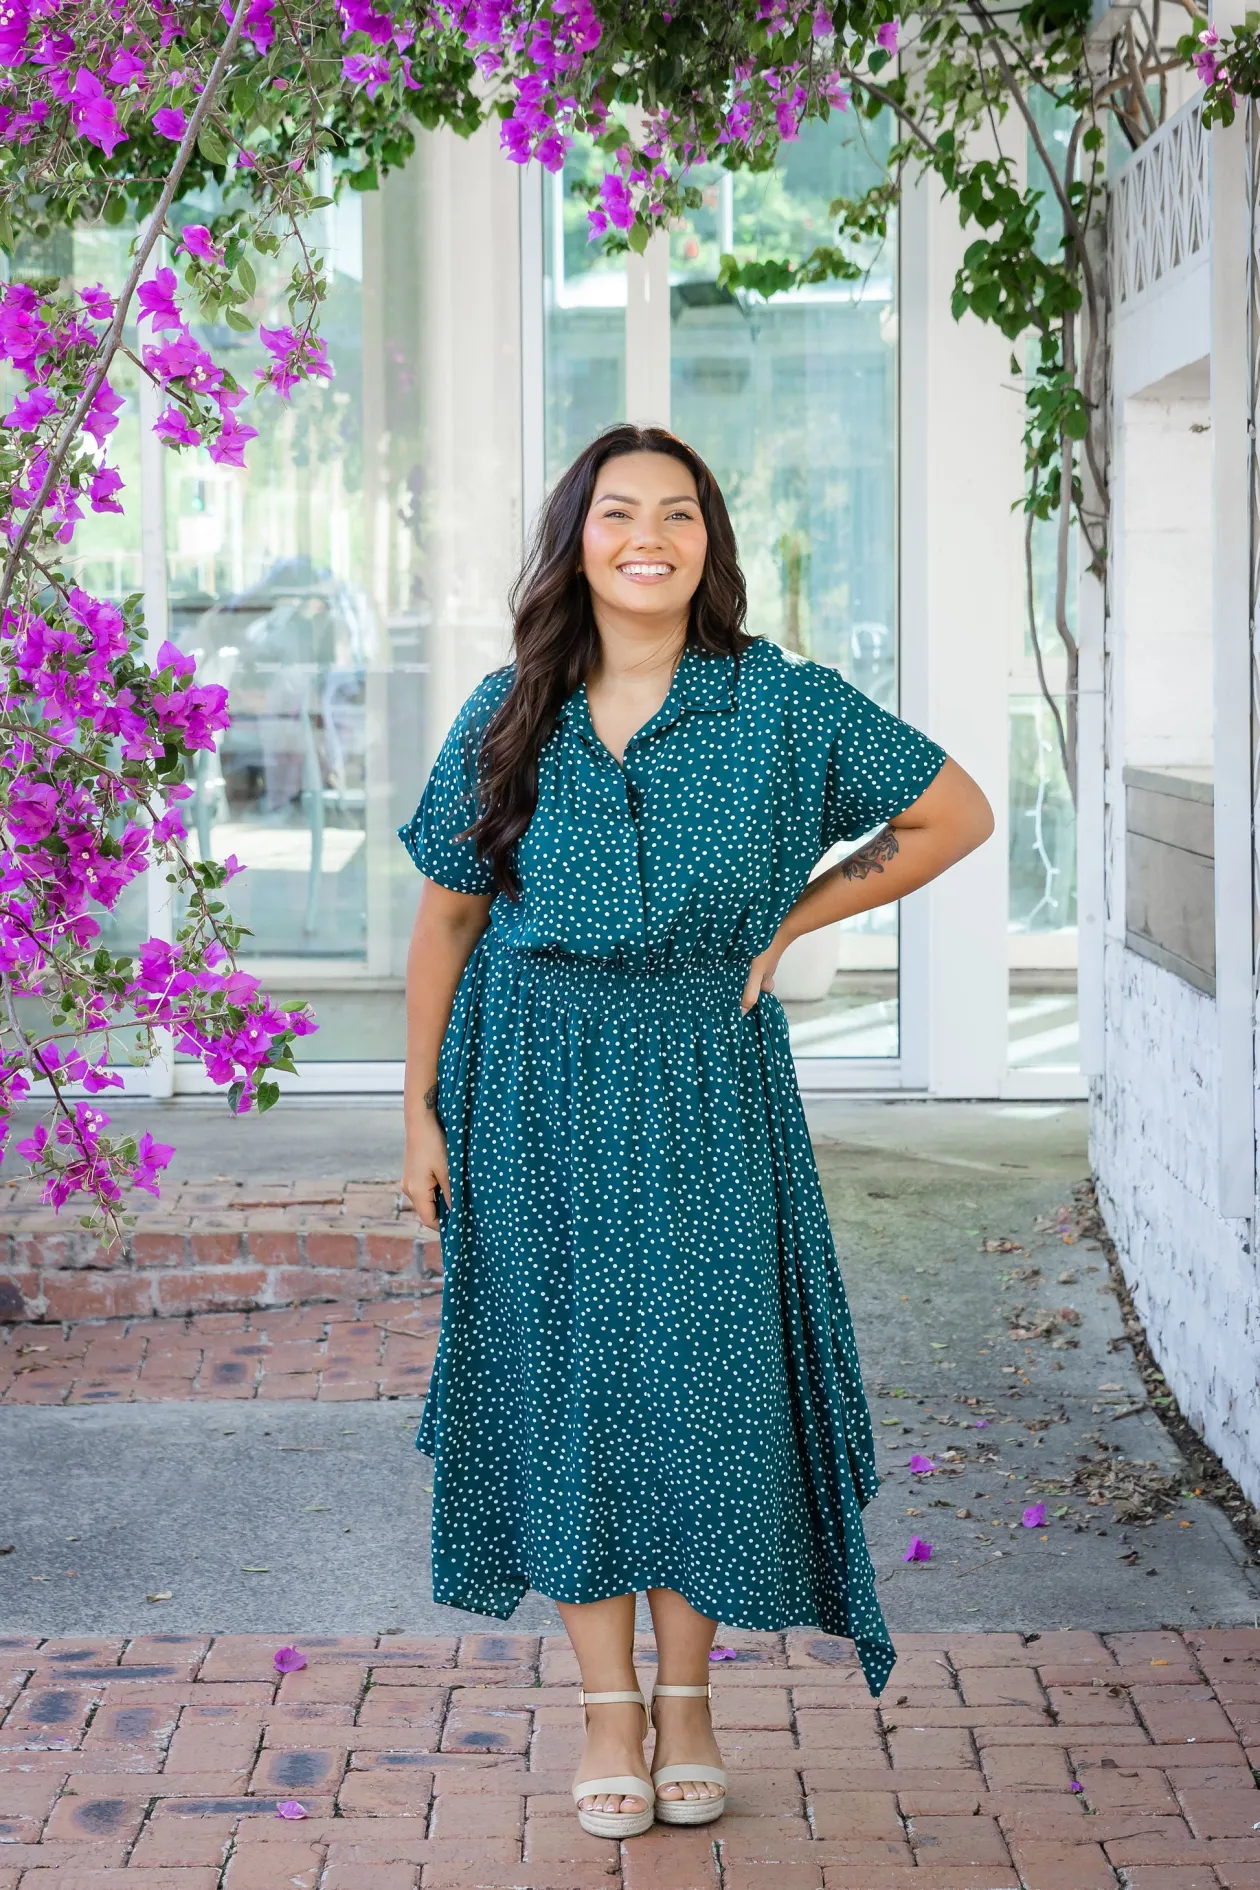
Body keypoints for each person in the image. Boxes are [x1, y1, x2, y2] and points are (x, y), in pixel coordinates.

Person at [398, 424, 993, 1840]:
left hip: (707, 1081)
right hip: (530, 1086)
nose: (648, 534)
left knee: (703, 1384)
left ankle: (690, 1696)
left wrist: (798, 912)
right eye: (618, 512)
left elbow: (956, 811)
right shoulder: (508, 712)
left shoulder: (780, 707)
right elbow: (447, 915)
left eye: (679, 511)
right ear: (579, 539)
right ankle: (607, 1704)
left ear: (710, 542)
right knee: (574, 1384)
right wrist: (414, 1106)